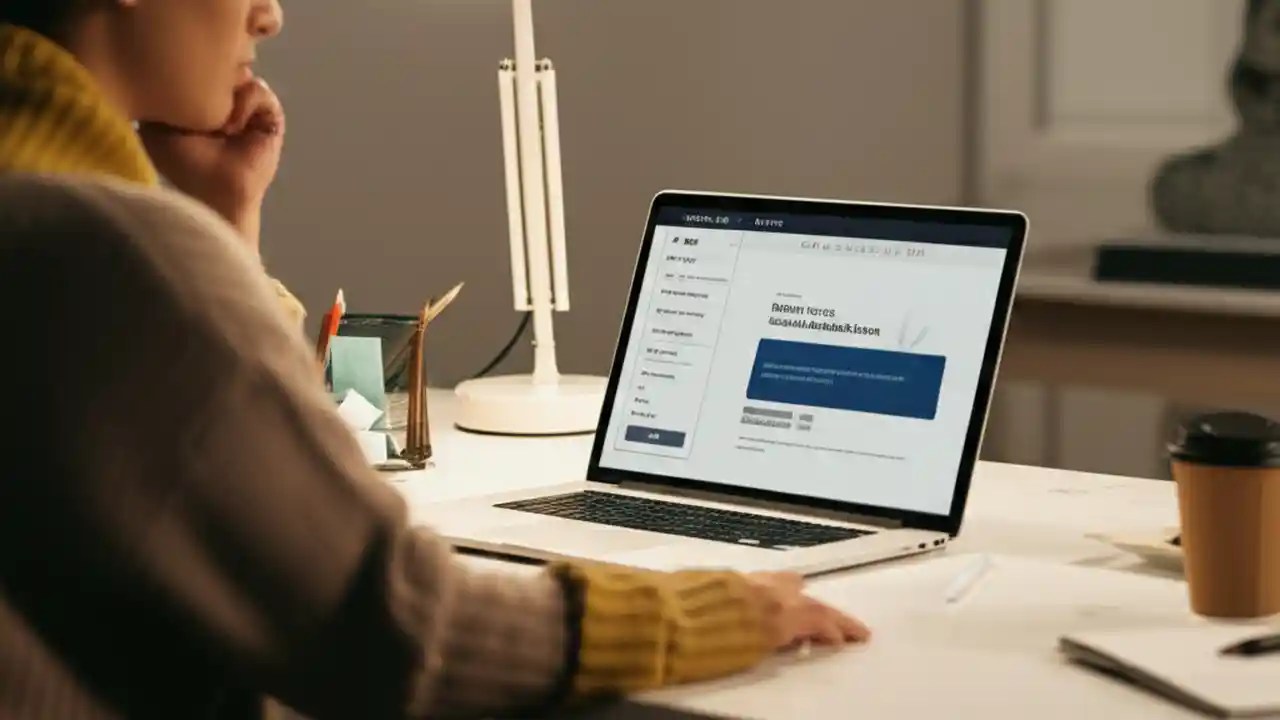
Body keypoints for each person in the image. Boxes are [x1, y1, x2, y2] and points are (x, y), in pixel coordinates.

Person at [0, 1, 870, 718]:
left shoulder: (56, 228)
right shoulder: (111, 258)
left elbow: (230, 466)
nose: (269, 17)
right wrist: (715, 609)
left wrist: (223, 221)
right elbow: (399, 630)